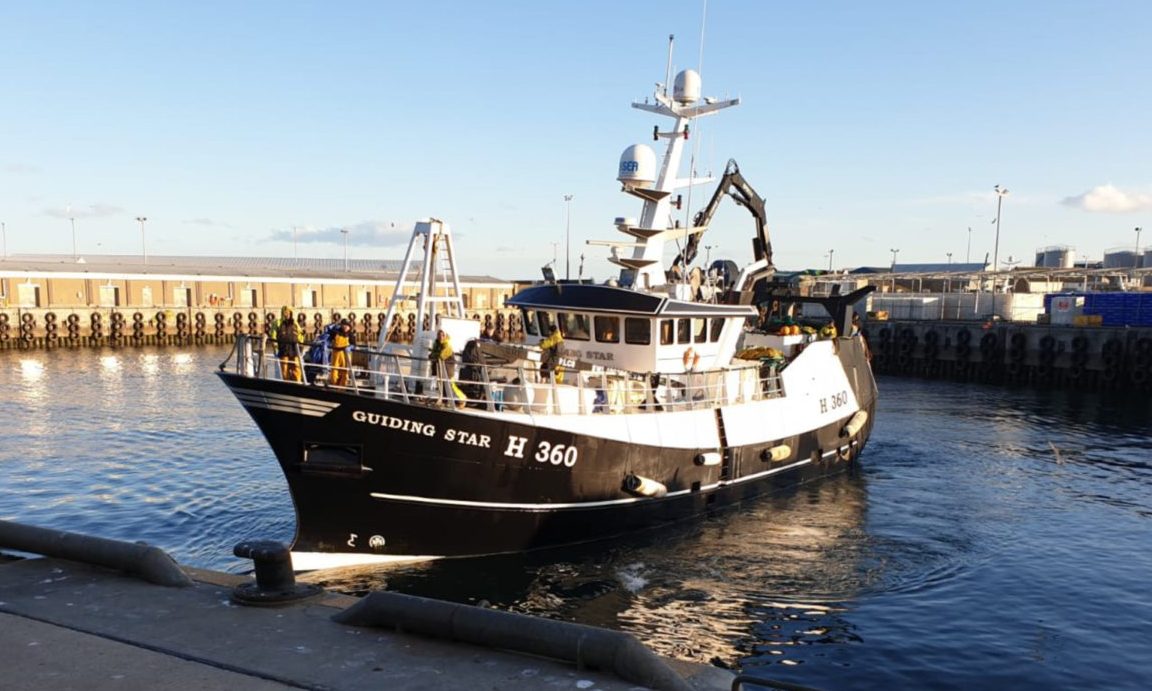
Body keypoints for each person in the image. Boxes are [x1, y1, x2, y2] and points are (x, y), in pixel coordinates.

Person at [272, 306, 303, 382]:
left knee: (297, 369)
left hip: (294, 351)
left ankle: (298, 384)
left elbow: (300, 335)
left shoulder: (295, 323)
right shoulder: (277, 323)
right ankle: (286, 384)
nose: (287, 314)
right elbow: (273, 336)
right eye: (285, 312)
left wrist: (301, 347)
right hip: (284, 350)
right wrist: (275, 348)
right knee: (284, 371)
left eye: (288, 312)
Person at [329, 319, 353, 387]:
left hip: (345, 355)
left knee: (344, 372)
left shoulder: (350, 335)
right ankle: (334, 385)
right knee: (334, 371)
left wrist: (350, 347)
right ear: (341, 326)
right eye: (344, 325)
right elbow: (328, 334)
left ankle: (342, 388)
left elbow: (354, 344)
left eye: (347, 326)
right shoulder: (336, 332)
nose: (345, 327)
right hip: (336, 354)